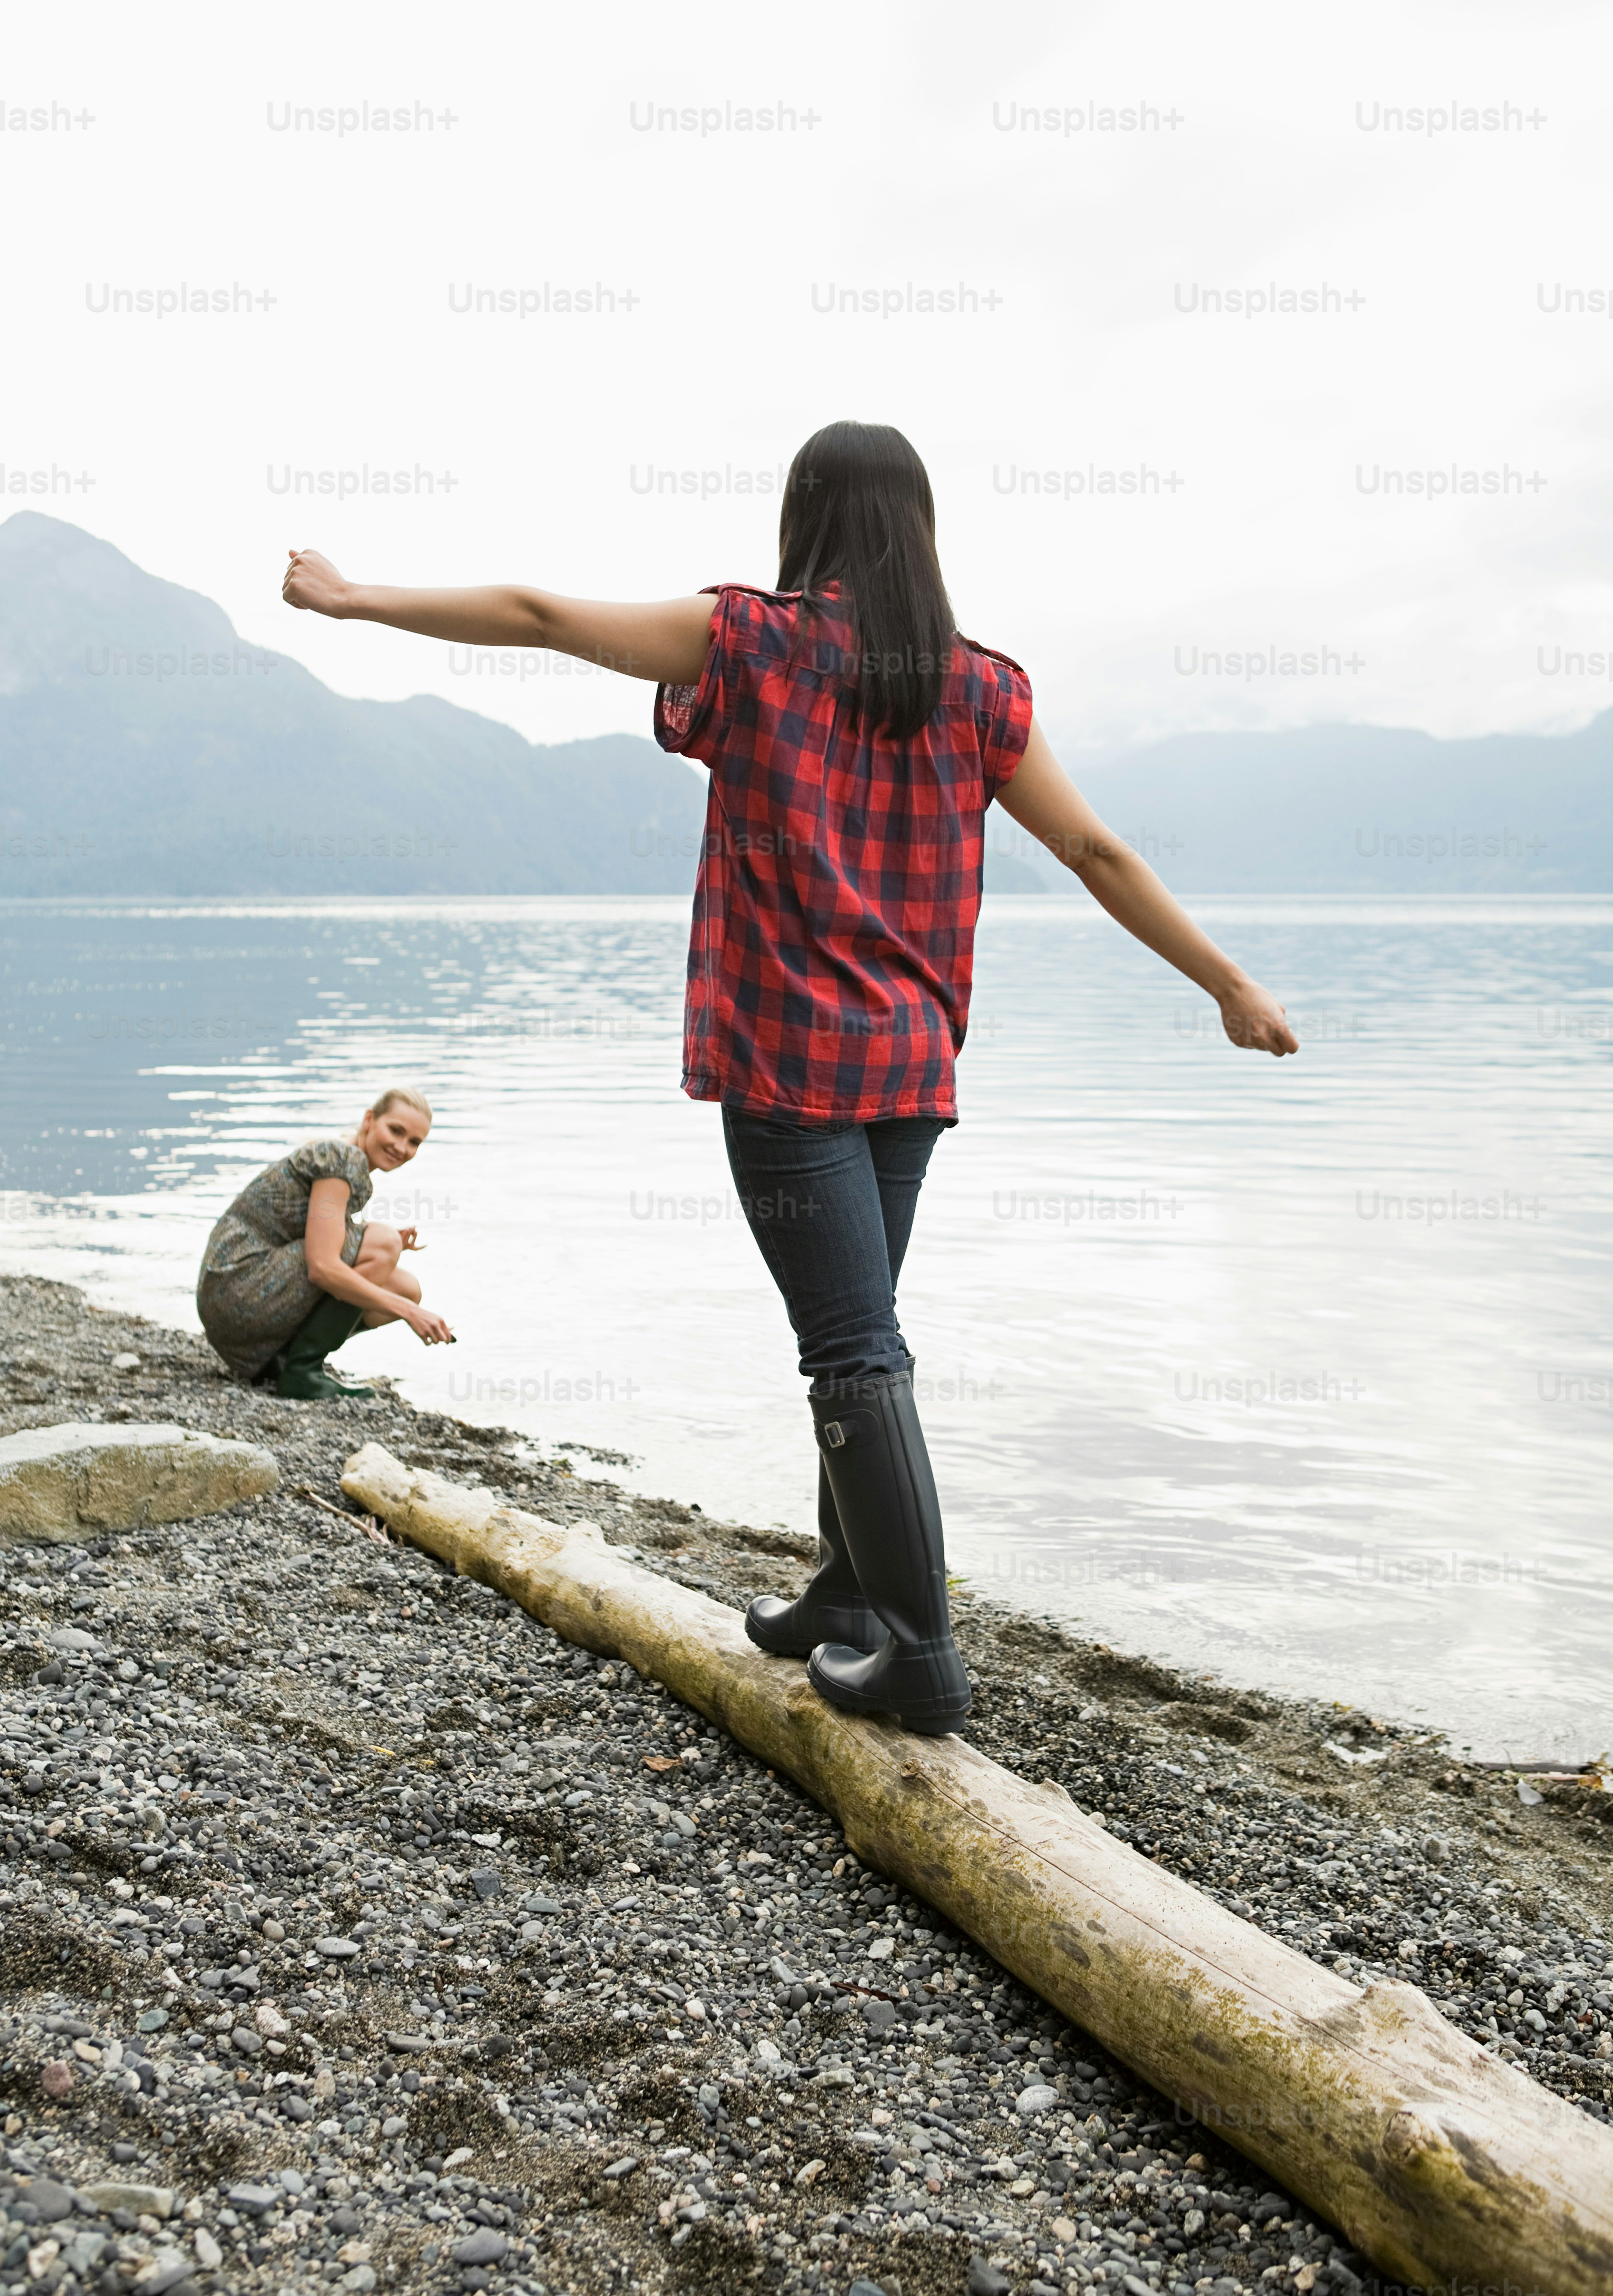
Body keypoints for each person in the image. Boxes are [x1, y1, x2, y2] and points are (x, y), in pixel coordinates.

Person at [281, 419, 1295, 1730]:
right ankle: (847, 1595)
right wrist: (1226, 982)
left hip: (790, 1065)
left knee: (852, 1347)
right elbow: (1097, 850)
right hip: (912, 1067)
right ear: (919, 527)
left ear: (805, 519)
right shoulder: (983, 689)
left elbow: (540, 613)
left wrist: (357, 599)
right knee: (860, 1325)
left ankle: (922, 1653)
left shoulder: (751, 641)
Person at [196, 1087, 453, 1400]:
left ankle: (285, 1362)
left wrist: (382, 1254)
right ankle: (304, 1372)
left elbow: (307, 1231)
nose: (402, 1147)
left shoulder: (342, 1157)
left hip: (236, 1306)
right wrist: (412, 1313)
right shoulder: (341, 1160)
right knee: (384, 1246)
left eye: (414, 1142)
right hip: (238, 1292)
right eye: (396, 1131)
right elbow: (322, 1268)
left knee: (405, 1287)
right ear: (369, 1119)